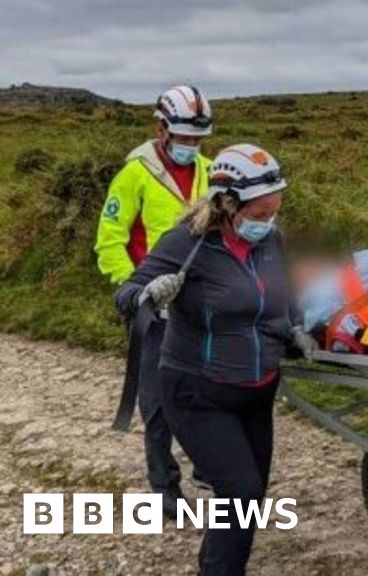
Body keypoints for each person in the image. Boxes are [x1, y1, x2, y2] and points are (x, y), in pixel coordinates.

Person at [114, 144, 316, 575]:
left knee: (247, 500)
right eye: (259, 214)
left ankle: (214, 565)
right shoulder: (186, 243)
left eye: (274, 212)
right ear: (227, 203)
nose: (268, 222)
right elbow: (126, 294)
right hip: (197, 392)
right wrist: (149, 293)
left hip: (257, 392)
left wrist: (297, 327)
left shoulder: (272, 240)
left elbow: (286, 294)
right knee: (241, 493)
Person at [95, 85, 213, 515]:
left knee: (208, 388)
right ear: (161, 129)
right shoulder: (134, 175)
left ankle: (207, 465)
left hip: (200, 302)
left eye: (197, 138)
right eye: (183, 137)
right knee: (158, 398)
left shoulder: (210, 171)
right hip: (154, 304)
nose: (190, 145)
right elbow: (110, 239)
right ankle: (164, 485)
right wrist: (134, 291)